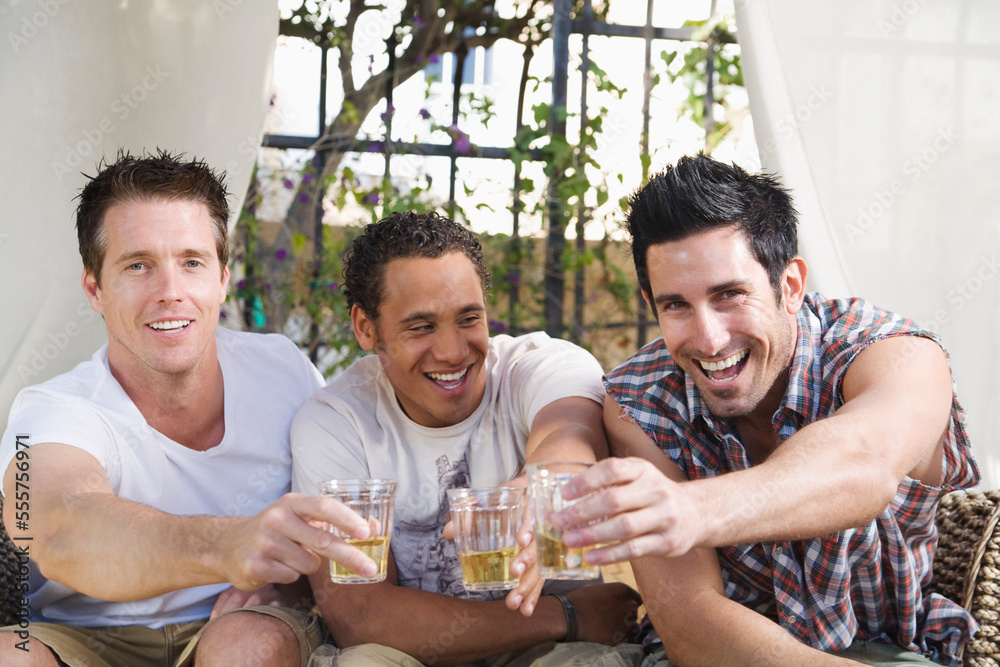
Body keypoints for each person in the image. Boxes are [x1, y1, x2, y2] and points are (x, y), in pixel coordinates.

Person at [548, 154, 980, 666]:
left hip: (884, 650)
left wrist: (692, 510)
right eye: (676, 305)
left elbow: (860, 463)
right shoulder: (639, 402)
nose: (709, 340)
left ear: (790, 286)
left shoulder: (896, 354)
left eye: (729, 295)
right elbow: (689, 623)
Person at [0, 150, 382, 667]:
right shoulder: (52, 409)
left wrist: (291, 589)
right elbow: (53, 528)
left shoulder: (283, 369)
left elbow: (340, 502)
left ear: (222, 278)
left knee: (247, 647)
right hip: (83, 636)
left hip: (237, 623)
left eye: (192, 263)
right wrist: (227, 546)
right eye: (138, 266)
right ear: (95, 288)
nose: (170, 292)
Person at [290, 211, 643, 666]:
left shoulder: (540, 365)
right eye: (421, 326)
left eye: (468, 318)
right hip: (427, 651)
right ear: (366, 328)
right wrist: (566, 615)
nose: (453, 352)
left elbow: (569, 433)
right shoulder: (335, 422)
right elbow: (361, 616)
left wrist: (538, 483)